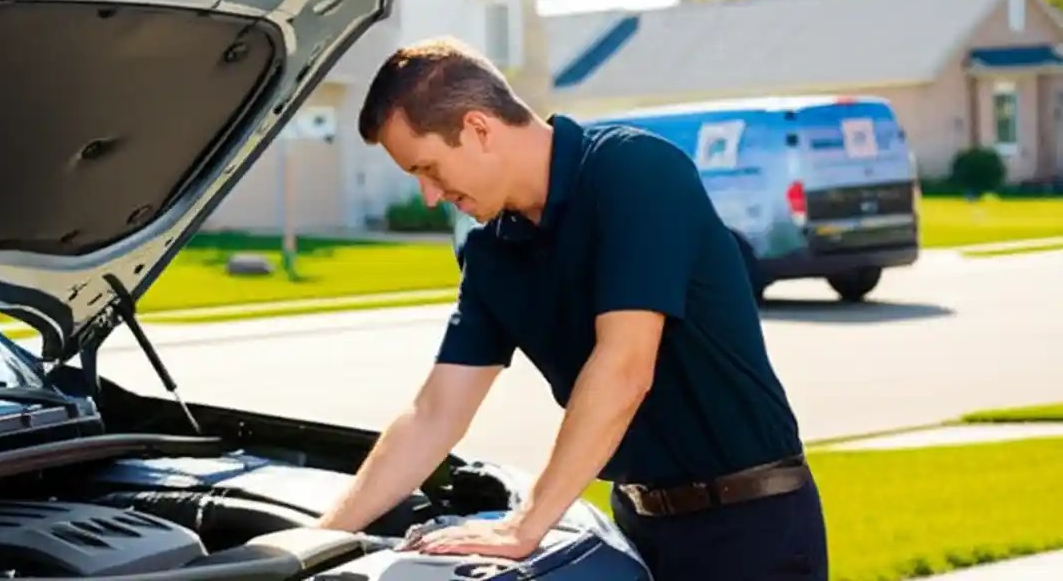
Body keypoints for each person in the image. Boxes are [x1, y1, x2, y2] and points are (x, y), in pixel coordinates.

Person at [315, 37, 829, 580]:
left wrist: (526, 524)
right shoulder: (492, 251)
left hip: (751, 529)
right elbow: (435, 412)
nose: (428, 195)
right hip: (637, 530)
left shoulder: (634, 171)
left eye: (429, 168)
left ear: (478, 129)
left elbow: (625, 367)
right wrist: (319, 540)